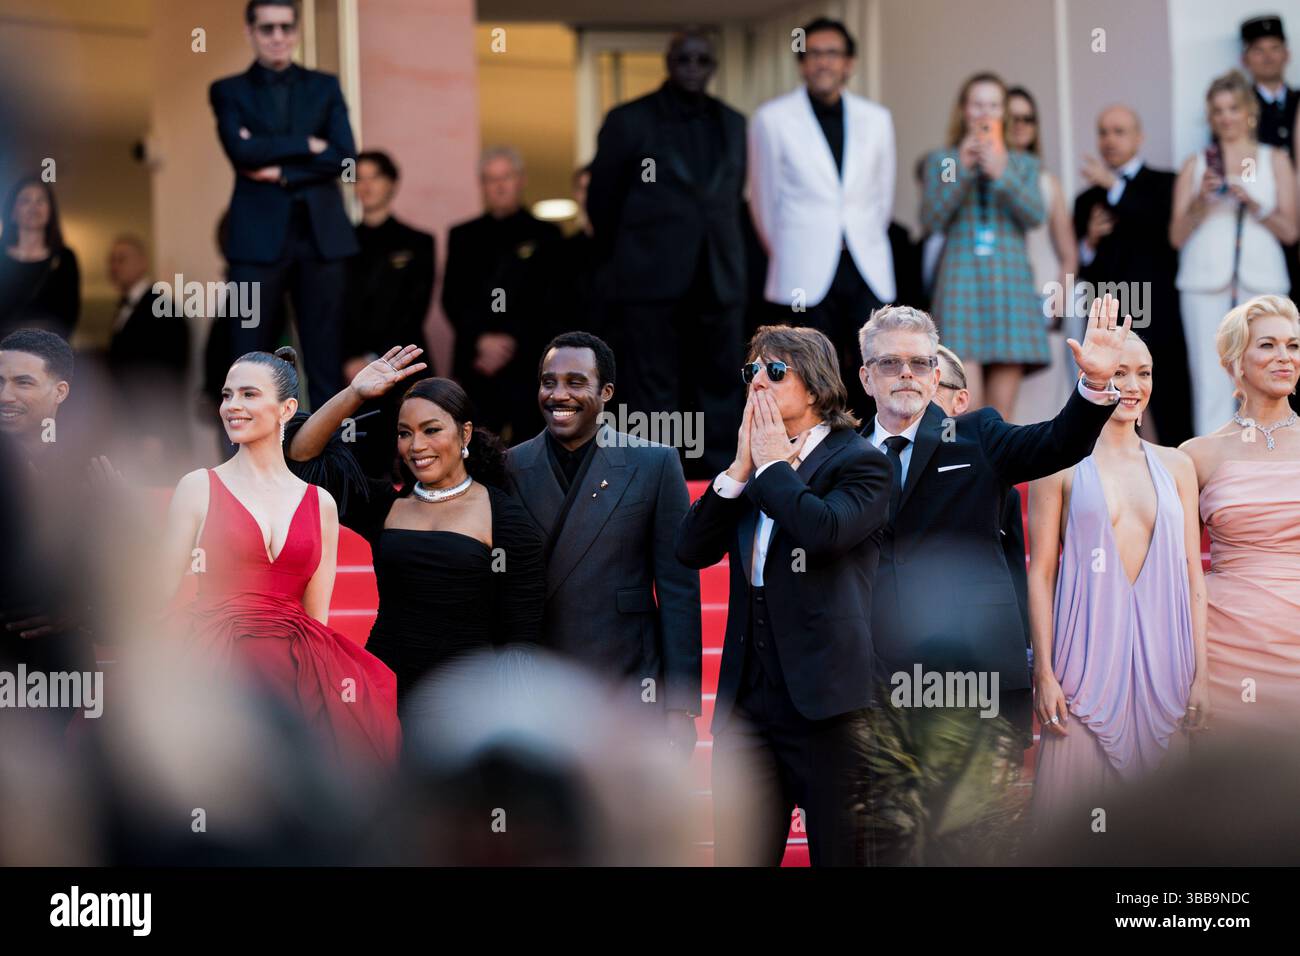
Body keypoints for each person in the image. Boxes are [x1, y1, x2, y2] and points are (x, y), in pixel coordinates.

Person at [858, 297, 1129, 746]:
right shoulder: (843, 453)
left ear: (936, 376)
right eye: (890, 363)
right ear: (867, 377)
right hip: (875, 683)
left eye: (920, 363)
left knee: (978, 819)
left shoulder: (976, 434)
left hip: (974, 679)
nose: (907, 373)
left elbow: (1057, 443)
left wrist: (1095, 383)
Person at [675, 325, 890, 867]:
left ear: (816, 388)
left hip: (829, 709)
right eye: (752, 372)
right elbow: (690, 550)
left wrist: (771, 466)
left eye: (775, 371)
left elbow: (824, 532)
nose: (759, 383)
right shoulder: (754, 465)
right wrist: (739, 470)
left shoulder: (860, 461)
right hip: (748, 707)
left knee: (842, 856)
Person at [160, 348, 399, 764]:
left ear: (286, 408)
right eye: (226, 395)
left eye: (249, 394)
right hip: (215, 669)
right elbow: (156, 593)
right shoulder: (197, 486)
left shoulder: (319, 501)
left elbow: (315, 619)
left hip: (297, 676)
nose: (233, 406)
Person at [287, 348, 545, 701]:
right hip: (382, 693)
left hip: (462, 706)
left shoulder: (507, 522)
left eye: (431, 429)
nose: (416, 446)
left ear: (465, 433)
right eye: (405, 433)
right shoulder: (383, 506)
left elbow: (520, 647)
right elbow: (303, 456)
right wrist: (355, 393)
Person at [1027, 331, 1208, 825]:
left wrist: (1202, 676)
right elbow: (1040, 574)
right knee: (1072, 821)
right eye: (1118, 372)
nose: (1132, 385)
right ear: (1092, 375)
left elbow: (1194, 576)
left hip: (1168, 662)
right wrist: (1043, 672)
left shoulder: (1178, 465)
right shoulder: (1056, 462)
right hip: (1083, 663)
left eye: (1143, 373)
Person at [506, 332, 701, 754]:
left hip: (629, 685)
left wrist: (680, 707)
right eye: (548, 382)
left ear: (606, 392)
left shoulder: (655, 463)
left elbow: (679, 591)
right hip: (541, 689)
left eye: (576, 382)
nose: (559, 395)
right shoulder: (510, 467)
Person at [586, 30, 746, 478]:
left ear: (713, 67)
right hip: (649, 280)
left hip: (718, 276)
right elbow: (603, 204)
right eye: (684, 58)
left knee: (719, 383)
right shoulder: (628, 121)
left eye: (702, 60)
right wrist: (634, 257)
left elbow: (735, 199)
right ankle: (659, 479)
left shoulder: (734, 124)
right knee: (653, 388)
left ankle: (720, 480)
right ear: (669, 62)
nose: (693, 67)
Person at [209, 0, 359, 410]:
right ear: (250, 32)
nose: (277, 37)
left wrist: (282, 171)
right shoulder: (227, 90)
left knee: (326, 362)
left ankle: (330, 468)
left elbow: (345, 157)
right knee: (247, 363)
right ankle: (243, 469)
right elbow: (241, 153)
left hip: (321, 237)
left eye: (285, 28)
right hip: (256, 241)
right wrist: (308, 146)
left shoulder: (325, 86)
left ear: (296, 32)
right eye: (267, 28)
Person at [748, 17, 896, 423]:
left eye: (832, 53)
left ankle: (876, 455)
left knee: (876, 364)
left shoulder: (877, 119)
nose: (822, 63)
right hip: (801, 267)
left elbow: (882, 197)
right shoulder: (772, 119)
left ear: (849, 63)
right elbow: (763, 202)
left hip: (865, 263)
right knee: (808, 373)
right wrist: (790, 251)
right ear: (801, 63)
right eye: (813, 54)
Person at [1180, 294, 1300, 737]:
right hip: (1226, 647)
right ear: (1235, 360)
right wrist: (1197, 673)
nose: (1285, 357)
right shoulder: (1196, 455)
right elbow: (1183, 571)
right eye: (1267, 345)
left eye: (1293, 346)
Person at [1171, 70, 1297, 436]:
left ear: (1249, 112)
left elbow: (1291, 231)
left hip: (1263, 281)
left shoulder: (1275, 159)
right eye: (1218, 110)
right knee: (1210, 380)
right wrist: (1201, 201)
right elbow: (1176, 236)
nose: (1226, 117)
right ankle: (1212, 473)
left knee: (1269, 373)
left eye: (1233, 108)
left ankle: (1268, 459)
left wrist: (1254, 204)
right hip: (1202, 281)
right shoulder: (1197, 164)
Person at [921, 72, 1046, 419]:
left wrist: (1001, 172)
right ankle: (970, 474)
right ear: (964, 110)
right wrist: (961, 168)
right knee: (965, 406)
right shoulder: (944, 160)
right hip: (962, 286)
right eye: (977, 104)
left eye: (993, 104)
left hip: (1009, 287)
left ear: (1003, 111)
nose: (985, 112)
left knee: (1001, 413)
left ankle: (1000, 476)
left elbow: (1035, 214)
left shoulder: (1023, 163)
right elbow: (932, 218)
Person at [1073, 105, 1193, 445]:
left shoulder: (1165, 184)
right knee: (1114, 399)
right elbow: (1085, 267)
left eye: (1119, 131)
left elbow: (1161, 229)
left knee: (1167, 397)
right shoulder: (1086, 199)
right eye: (1103, 132)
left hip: (1160, 310)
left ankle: (1177, 480)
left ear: (1139, 137)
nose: (1109, 140)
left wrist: (1114, 187)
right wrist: (1090, 243)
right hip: (1112, 312)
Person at [442, 146, 560, 444]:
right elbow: (452, 298)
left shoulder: (547, 235)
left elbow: (551, 300)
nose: (499, 185)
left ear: (520, 180)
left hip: (529, 363)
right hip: (477, 365)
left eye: (506, 176)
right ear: (481, 185)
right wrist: (482, 340)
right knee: (477, 451)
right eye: (490, 178)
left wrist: (509, 342)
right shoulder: (463, 236)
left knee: (532, 450)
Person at [342, 150, 436, 480]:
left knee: (407, 457)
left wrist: (374, 359)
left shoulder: (418, 243)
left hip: (403, 372)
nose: (365, 185)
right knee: (356, 464)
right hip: (349, 374)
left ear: (392, 183)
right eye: (358, 178)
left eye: (374, 177)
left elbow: (413, 311)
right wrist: (351, 358)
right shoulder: (339, 247)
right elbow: (332, 314)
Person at [935, 345, 1029, 650]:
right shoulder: (872, 460)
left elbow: (1014, 568)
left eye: (932, 382)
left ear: (960, 400)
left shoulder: (993, 479)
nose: (912, 386)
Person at [1006, 86, 1078, 425]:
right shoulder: (986, 179)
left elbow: (1068, 254)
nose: (1020, 125)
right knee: (1008, 412)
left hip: (1042, 304)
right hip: (1001, 306)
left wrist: (1058, 302)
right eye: (1012, 117)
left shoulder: (1047, 183)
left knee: (1046, 409)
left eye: (1028, 119)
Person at [105, 234, 191, 478]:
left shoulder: (161, 307)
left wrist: (155, 432)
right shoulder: (125, 308)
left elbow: (167, 375)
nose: (114, 266)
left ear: (142, 263)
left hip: (152, 432)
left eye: (122, 258)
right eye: (111, 260)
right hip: (128, 427)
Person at [0, 177, 80, 340]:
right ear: (13, 212)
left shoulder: (65, 259)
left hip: (47, 356)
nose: (33, 207)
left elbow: (70, 315)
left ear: (51, 212)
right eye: (25, 200)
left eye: (40, 201)